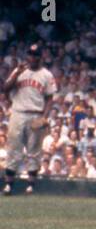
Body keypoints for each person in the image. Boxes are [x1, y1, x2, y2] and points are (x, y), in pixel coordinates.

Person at [3, 43, 55, 194]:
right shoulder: (19, 71)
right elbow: (5, 89)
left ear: (40, 57)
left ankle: (31, 185)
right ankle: (9, 185)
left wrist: (44, 117)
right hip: (18, 112)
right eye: (30, 55)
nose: (32, 57)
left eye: (35, 55)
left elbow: (50, 98)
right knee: (13, 148)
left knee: (34, 150)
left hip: (36, 113)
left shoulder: (46, 74)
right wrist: (16, 74)